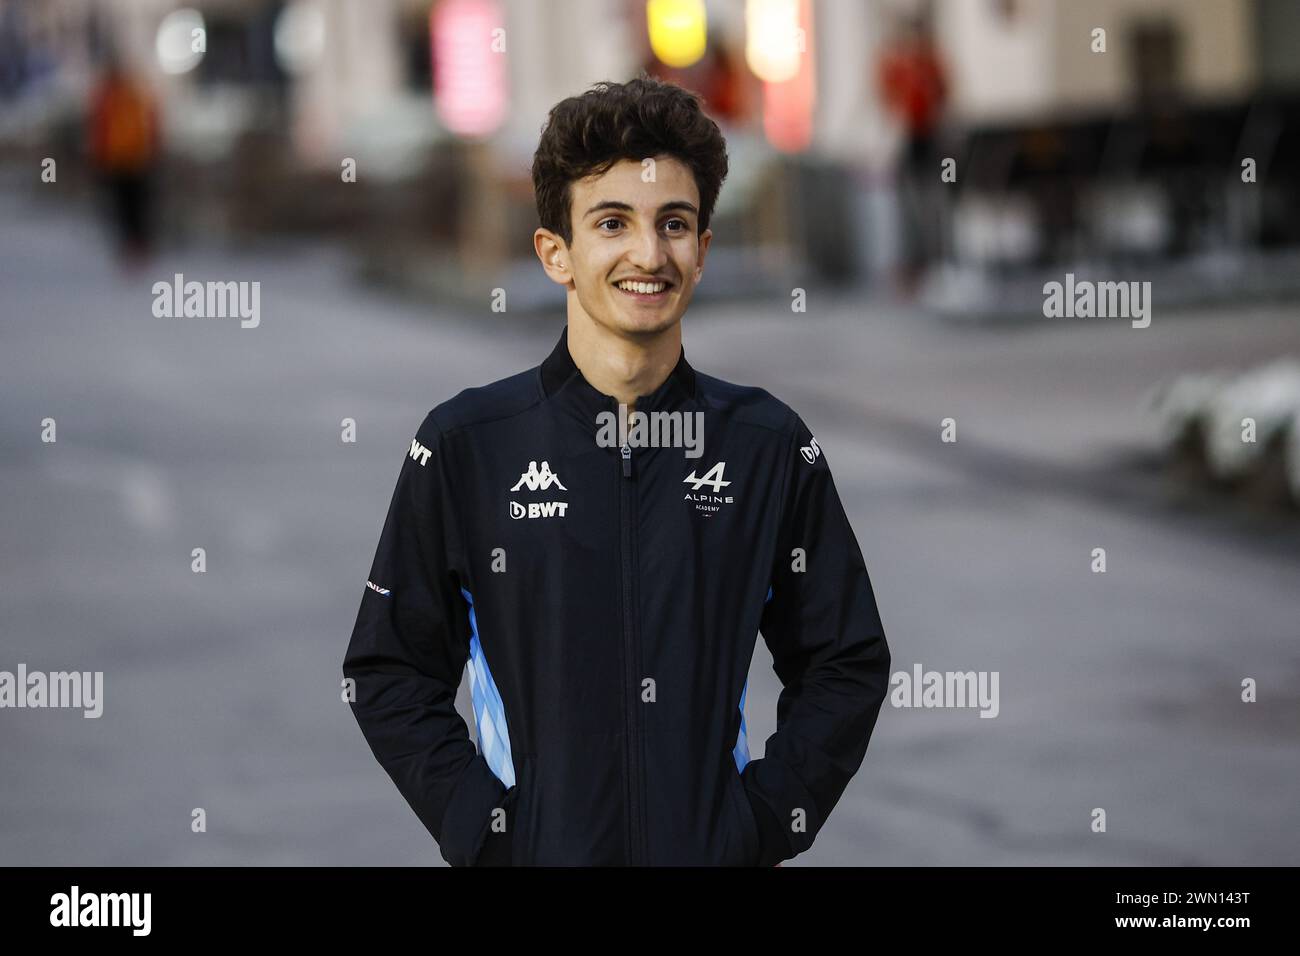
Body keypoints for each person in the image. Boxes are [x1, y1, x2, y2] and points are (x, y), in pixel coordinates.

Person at [342, 73, 891, 867]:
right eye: (612, 222)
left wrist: (762, 825)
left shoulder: (765, 447)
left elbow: (845, 660)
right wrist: (490, 835)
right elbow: (389, 670)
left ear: (703, 252)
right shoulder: (467, 446)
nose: (648, 253)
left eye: (675, 224)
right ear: (556, 253)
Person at [87, 53, 161, 268]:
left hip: (119, 160)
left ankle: (132, 247)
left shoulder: (108, 96)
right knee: (137, 206)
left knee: (125, 206)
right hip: (137, 158)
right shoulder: (137, 93)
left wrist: (98, 157)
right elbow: (152, 122)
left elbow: (99, 128)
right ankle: (137, 246)